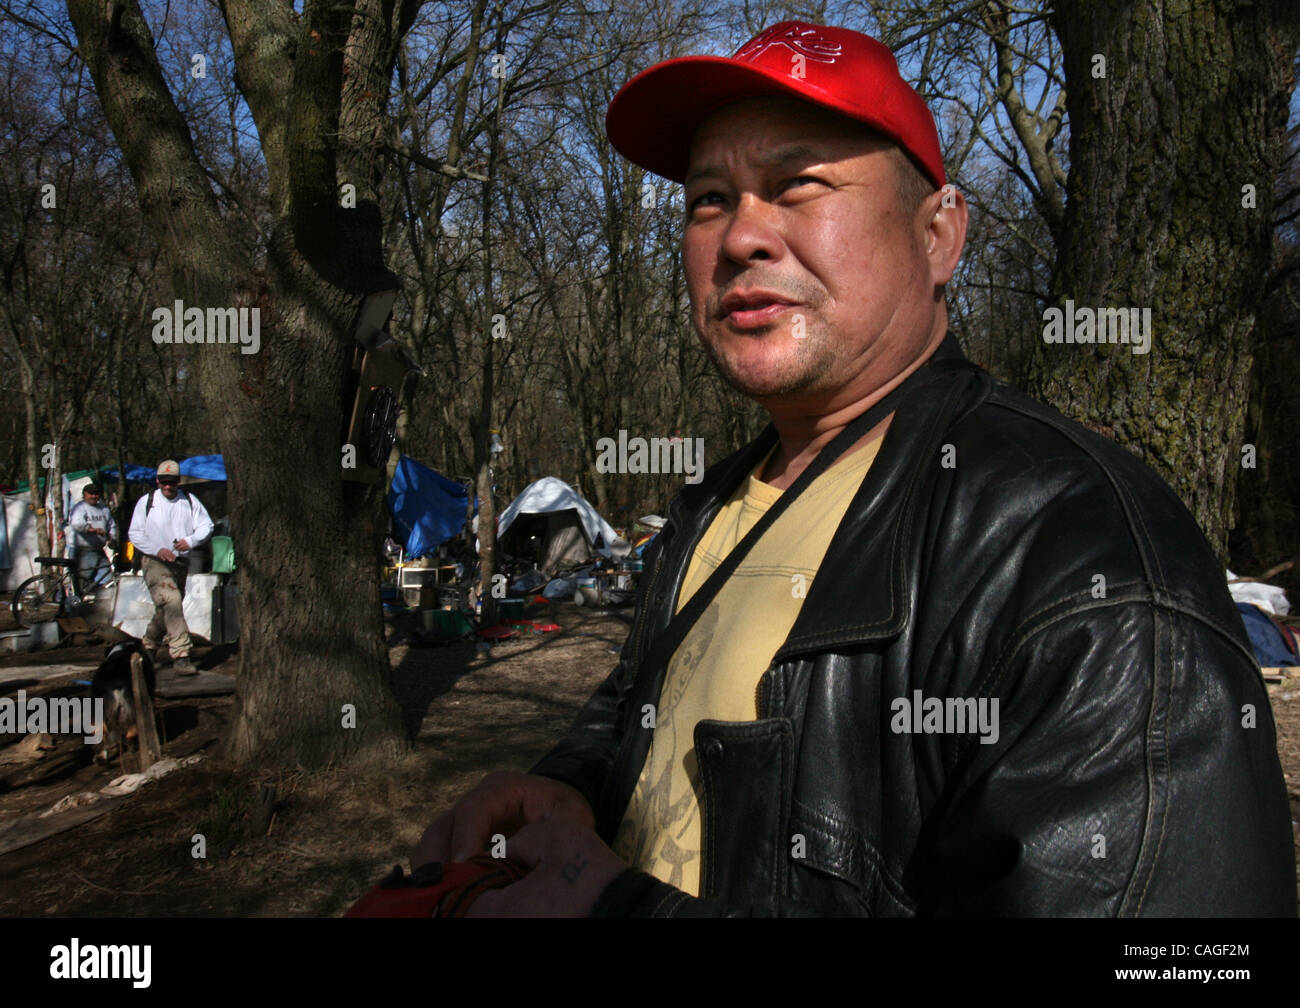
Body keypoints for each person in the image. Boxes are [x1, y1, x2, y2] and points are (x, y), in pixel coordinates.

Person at [414, 21, 1296, 915]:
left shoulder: (1079, 549)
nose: (741, 237)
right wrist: (574, 788)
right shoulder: (708, 509)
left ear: (940, 234)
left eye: (798, 184)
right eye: (709, 198)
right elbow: (657, 708)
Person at [128, 459, 212, 677]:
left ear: (178, 481)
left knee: (167, 607)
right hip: (153, 561)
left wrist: (191, 541)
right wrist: (157, 550)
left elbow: (206, 525)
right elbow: (135, 533)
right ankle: (182, 655)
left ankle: (148, 647)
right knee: (172, 600)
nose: (167, 486)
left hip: (180, 562)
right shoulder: (146, 502)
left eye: (172, 482)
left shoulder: (190, 501)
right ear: (157, 481)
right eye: (163, 482)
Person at [66, 481, 116, 596]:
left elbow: (111, 525)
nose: (94, 496)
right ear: (84, 494)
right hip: (82, 551)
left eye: (96, 494)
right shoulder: (79, 507)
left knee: (107, 579)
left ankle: (103, 606)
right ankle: (72, 607)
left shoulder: (104, 509)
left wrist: (112, 538)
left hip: (98, 550)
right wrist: (92, 530)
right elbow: (77, 523)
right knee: (81, 583)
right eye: (91, 494)